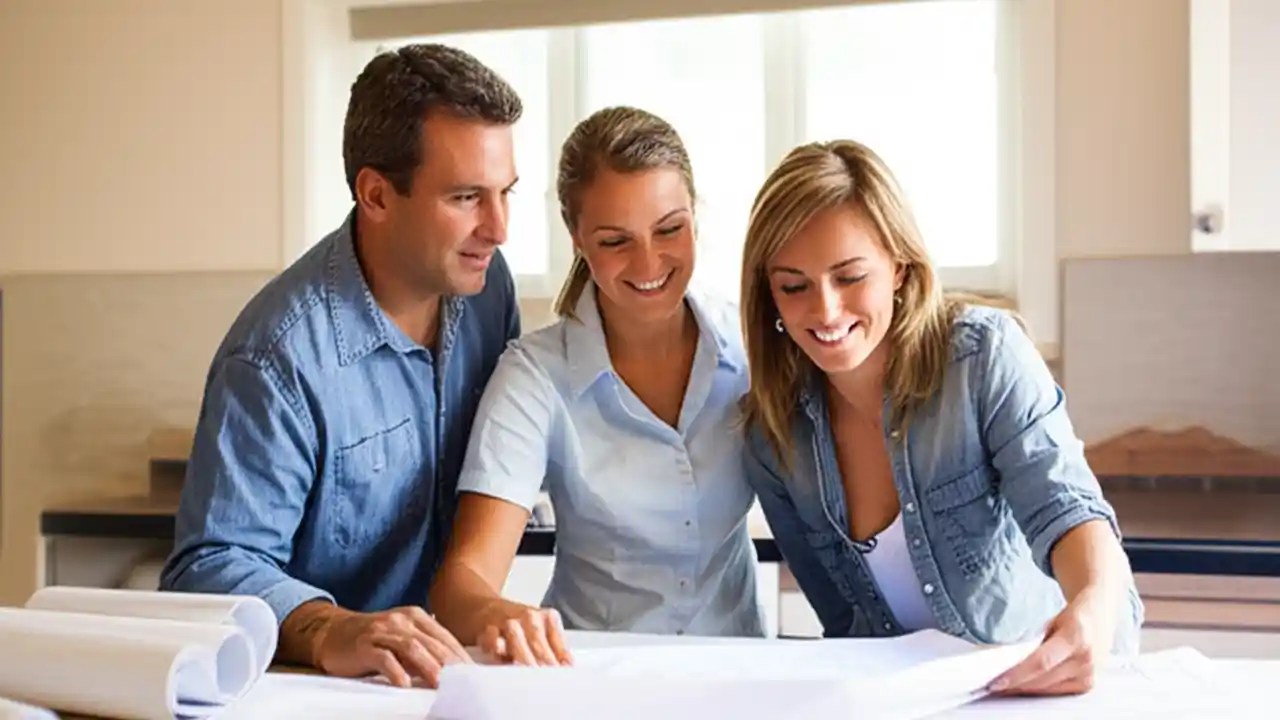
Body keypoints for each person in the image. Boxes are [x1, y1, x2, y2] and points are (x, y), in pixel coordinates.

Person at [160, 44, 523, 688]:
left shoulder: (488, 291)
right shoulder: (277, 357)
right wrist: (334, 628)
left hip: (441, 682)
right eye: (467, 197)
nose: (498, 228)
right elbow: (206, 567)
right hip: (317, 690)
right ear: (377, 194)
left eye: (505, 193)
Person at [738, 140, 1143, 696]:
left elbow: (1068, 510)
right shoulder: (772, 435)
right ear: (770, 296)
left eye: (850, 276)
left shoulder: (982, 359)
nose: (825, 310)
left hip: (1039, 690)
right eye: (794, 286)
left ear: (899, 268)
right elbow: (844, 626)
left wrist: (1093, 611)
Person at [429, 106, 764, 666]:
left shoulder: (753, 349)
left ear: (696, 217)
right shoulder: (534, 375)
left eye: (670, 229)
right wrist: (496, 614)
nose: (649, 261)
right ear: (577, 238)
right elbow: (462, 583)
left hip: (739, 673)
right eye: (615, 241)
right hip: (594, 678)